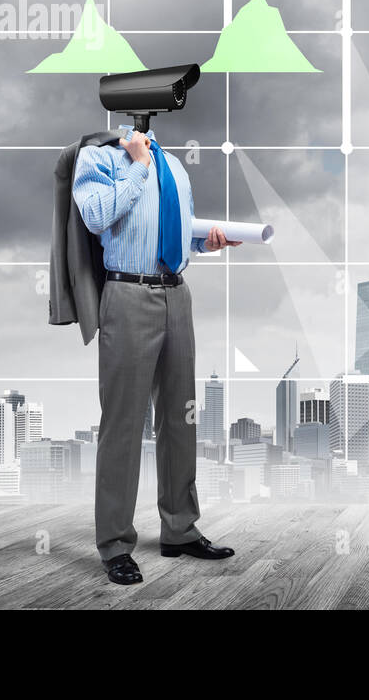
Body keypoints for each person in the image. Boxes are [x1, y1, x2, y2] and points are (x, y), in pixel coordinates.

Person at [72, 125, 239, 585]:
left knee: (180, 420)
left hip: (176, 296)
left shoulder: (177, 168)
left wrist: (206, 241)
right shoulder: (99, 159)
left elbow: (173, 234)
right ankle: (115, 545)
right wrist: (139, 163)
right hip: (127, 294)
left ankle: (180, 529)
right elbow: (96, 216)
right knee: (124, 424)